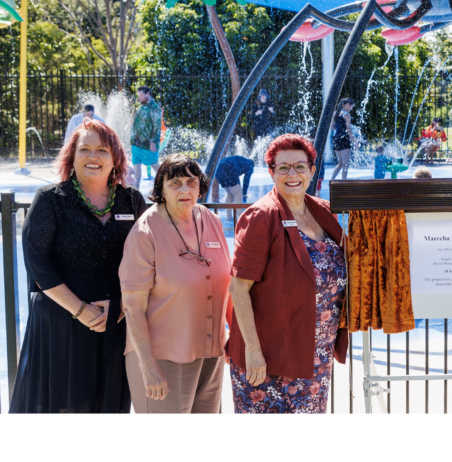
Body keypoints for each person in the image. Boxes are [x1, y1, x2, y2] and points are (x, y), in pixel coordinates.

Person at [10, 119, 147, 413]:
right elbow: (38, 265)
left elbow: (150, 261)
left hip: (116, 324)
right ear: (72, 157)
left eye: (102, 150)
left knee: (109, 407)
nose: (93, 157)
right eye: (85, 149)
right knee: (64, 407)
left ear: (116, 159)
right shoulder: (50, 200)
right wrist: (81, 310)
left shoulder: (131, 201)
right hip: (62, 325)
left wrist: (122, 307)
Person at [227, 134, 348, 413]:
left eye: (300, 166)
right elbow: (239, 288)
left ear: (312, 170)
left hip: (314, 356)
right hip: (269, 359)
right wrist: (253, 351)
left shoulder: (323, 211)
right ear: (271, 172)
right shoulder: (261, 216)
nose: (292, 174)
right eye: (283, 168)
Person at [119, 154, 232, 413]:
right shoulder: (145, 232)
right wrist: (148, 367)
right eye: (175, 183)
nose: (185, 190)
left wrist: (236, 340)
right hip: (161, 358)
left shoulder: (211, 221)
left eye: (192, 182)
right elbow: (133, 307)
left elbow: (229, 285)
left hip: (210, 354)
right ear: (160, 189)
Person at [131, 86, 163, 188]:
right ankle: (136, 193)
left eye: (141, 95)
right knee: (136, 169)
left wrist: (153, 142)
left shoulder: (154, 108)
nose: (139, 98)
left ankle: (164, 187)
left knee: (155, 166)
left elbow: (157, 126)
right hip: (136, 144)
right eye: (138, 95)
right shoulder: (142, 107)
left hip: (147, 145)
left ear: (148, 94)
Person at [330, 97, 356, 181]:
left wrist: (339, 128)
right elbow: (349, 129)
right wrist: (353, 140)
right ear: (347, 105)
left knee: (340, 163)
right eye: (351, 107)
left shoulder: (335, 113)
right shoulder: (346, 114)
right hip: (344, 139)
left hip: (336, 139)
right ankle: (344, 182)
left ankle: (332, 180)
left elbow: (332, 127)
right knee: (345, 164)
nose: (351, 109)